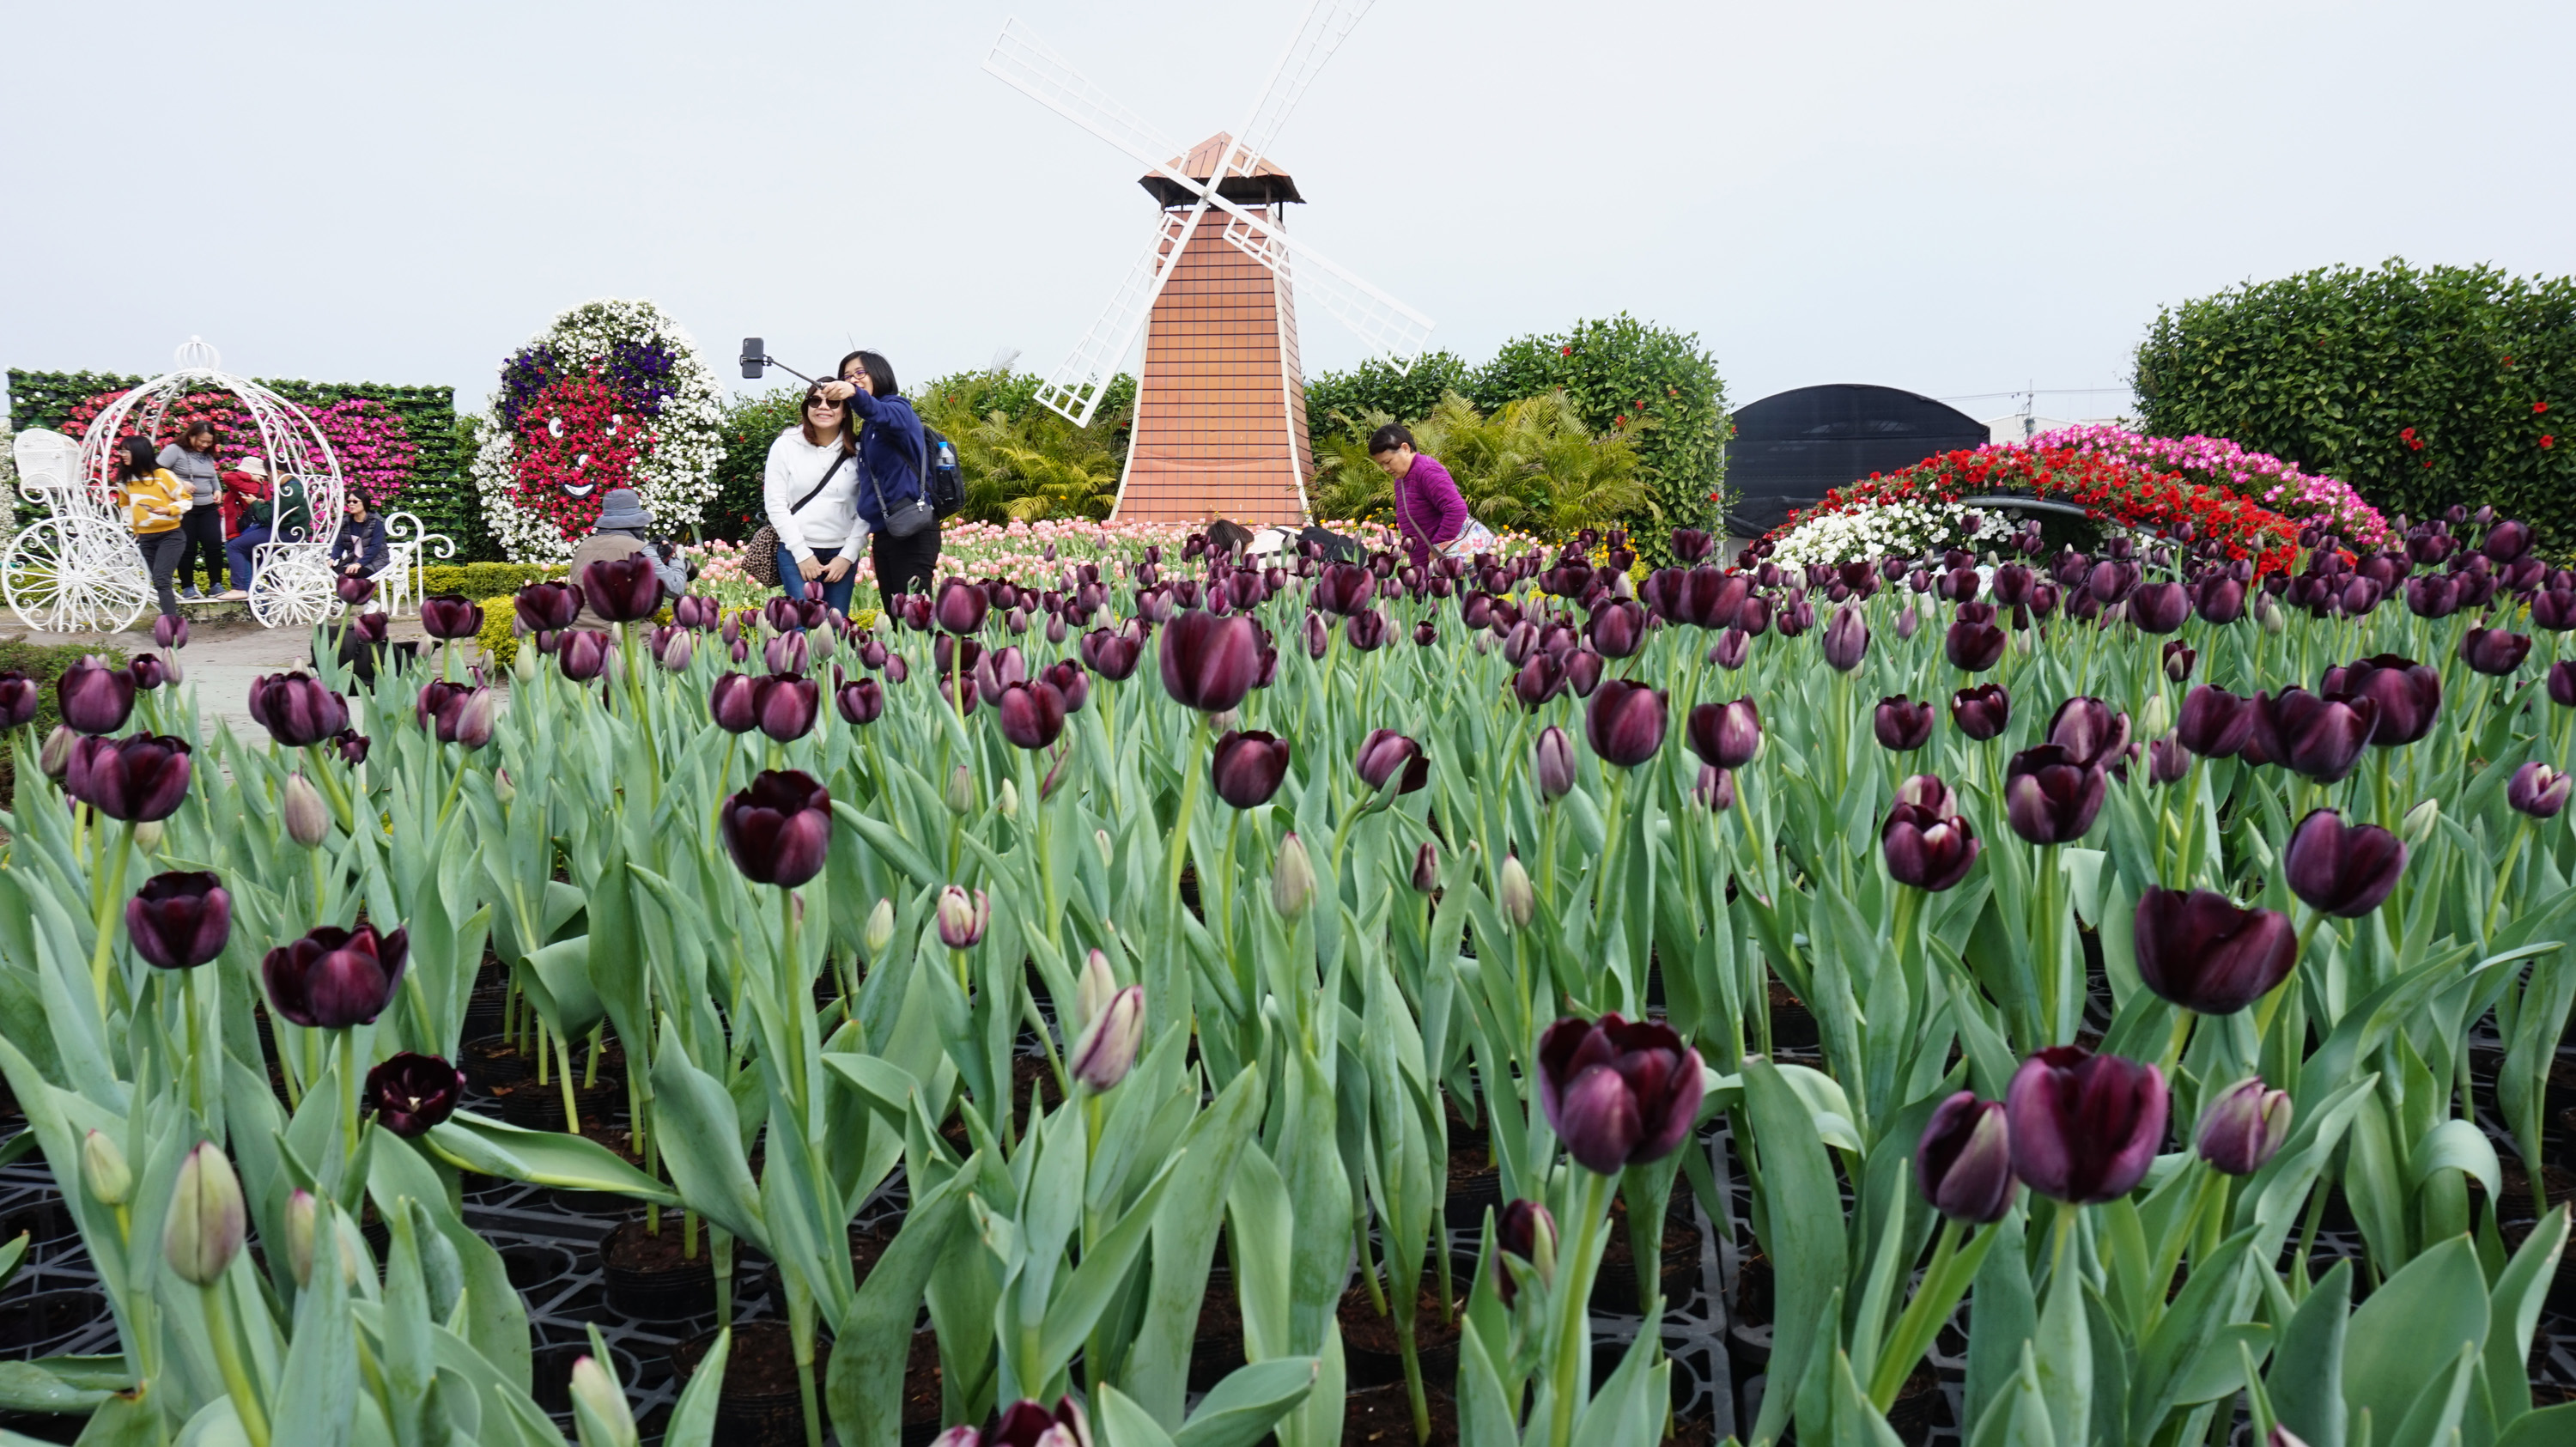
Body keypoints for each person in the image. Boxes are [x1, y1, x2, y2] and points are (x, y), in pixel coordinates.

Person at [817, 349, 938, 605]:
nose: (853, 380)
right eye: (847, 376)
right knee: (896, 617)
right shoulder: (870, 428)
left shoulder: (898, 409)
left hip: (913, 529)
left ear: (879, 374)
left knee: (916, 619)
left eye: (860, 373)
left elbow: (882, 413)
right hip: (887, 532)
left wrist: (854, 394)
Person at [762, 383, 870, 617]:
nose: (824, 407)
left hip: (841, 554)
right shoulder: (786, 445)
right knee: (801, 627)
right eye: (815, 401)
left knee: (835, 629)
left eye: (833, 402)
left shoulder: (859, 451)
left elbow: (866, 508)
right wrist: (802, 554)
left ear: (844, 411)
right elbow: (775, 504)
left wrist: (848, 555)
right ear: (806, 407)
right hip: (795, 551)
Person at [1370, 423, 1479, 570]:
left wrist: (1438, 548)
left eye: (1388, 461)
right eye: (1382, 464)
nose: (1386, 468)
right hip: (1426, 569)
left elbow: (1456, 509)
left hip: (1447, 566)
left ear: (1405, 448)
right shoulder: (1402, 479)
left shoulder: (1426, 470)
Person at [568, 487, 689, 598]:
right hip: (619, 620)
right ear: (637, 523)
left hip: (575, 620)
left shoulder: (583, 547)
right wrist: (676, 559)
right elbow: (676, 589)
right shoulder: (640, 550)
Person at [119, 435, 191, 619]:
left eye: (126, 451)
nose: (122, 455)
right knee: (160, 582)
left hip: (171, 535)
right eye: (121, 451)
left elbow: (186, 500)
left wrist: (169, 510)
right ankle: (170, 623)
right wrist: (135, 529)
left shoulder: (163, 475)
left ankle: (170, 625)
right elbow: (125, 506)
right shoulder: (126, 480)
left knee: (161, 579)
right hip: (145, 538)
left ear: (139, 452)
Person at [158, 423, 229, 599]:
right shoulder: (174, 450)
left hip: (208, 507)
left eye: (208, 442)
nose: (205, 445)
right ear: (191, 436)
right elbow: (158, 471)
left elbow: (212, 475)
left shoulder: (206, 455)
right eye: (202, 441)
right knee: (187, 547)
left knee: (213, 544)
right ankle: (188, 587)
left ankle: (216, 585)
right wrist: (180, 483)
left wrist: (217, 489)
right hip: (184, 508)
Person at [214, 455, 269, 600]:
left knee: (247, 577)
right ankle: (261, 607)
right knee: (251, 572)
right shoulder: (253, 487)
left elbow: (227, 477)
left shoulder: (249, 486)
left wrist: (249, 476)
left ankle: (258, 606)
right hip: (244, 531)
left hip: (239, 533)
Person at [330, 494, 388, 583]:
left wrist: (359, 564)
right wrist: (332, 559)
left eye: (355, 501)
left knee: (355, 574)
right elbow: (339, 545)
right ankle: (351, 597)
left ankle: (359, 597)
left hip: (374, 562)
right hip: (353, 562)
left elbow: (375, 547)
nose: (351, 504)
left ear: (365, 503)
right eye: (349, 501)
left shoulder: (376, 522)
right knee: (336, 573)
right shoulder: (346, 522)